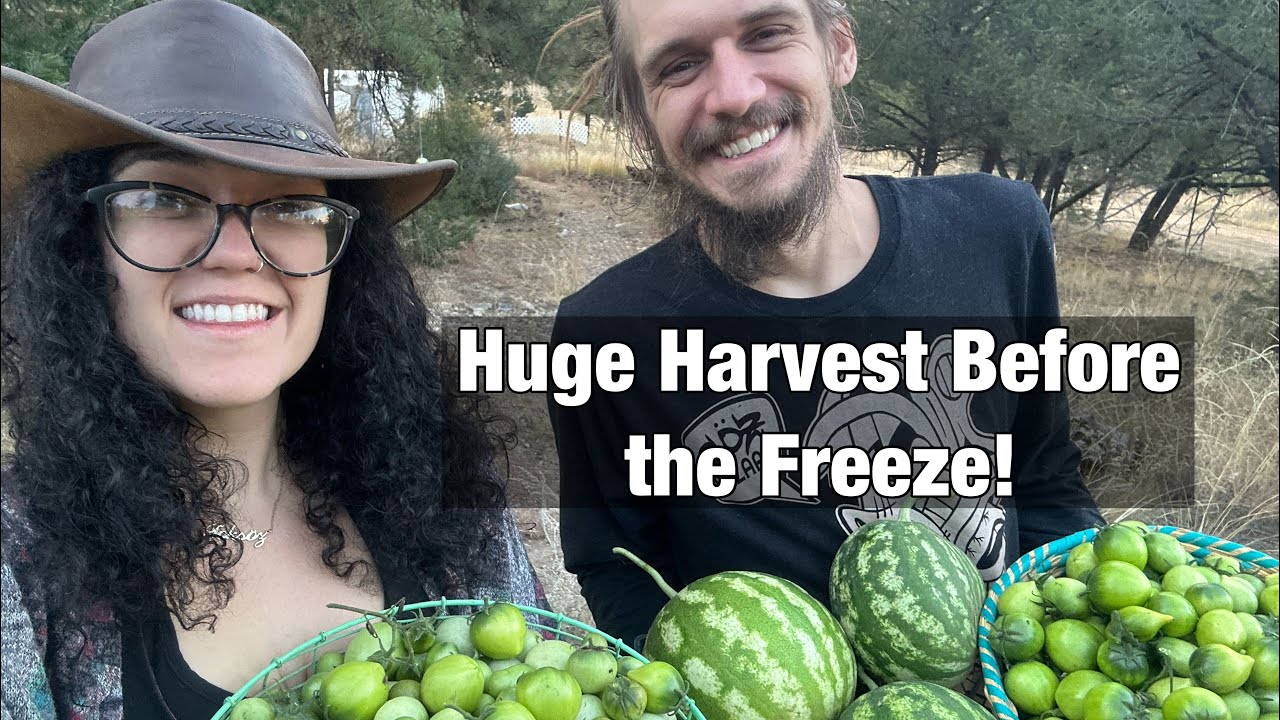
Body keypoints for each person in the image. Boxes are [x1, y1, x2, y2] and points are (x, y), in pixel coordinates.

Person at [0, 1, 546, 718]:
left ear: (340, 262)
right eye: (164, 198)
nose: (235, 254)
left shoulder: (445, 497)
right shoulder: (17, 563)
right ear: (81, 244)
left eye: (291, 206)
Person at [549, 0, 1105, 650]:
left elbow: (1043, 474)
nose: (734, 94)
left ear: (839, 48)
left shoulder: (998, 230)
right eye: (679, 66)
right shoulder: (604, 335)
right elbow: (619, 571)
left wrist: (1056, 655)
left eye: (767, 34)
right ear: (641, 118)